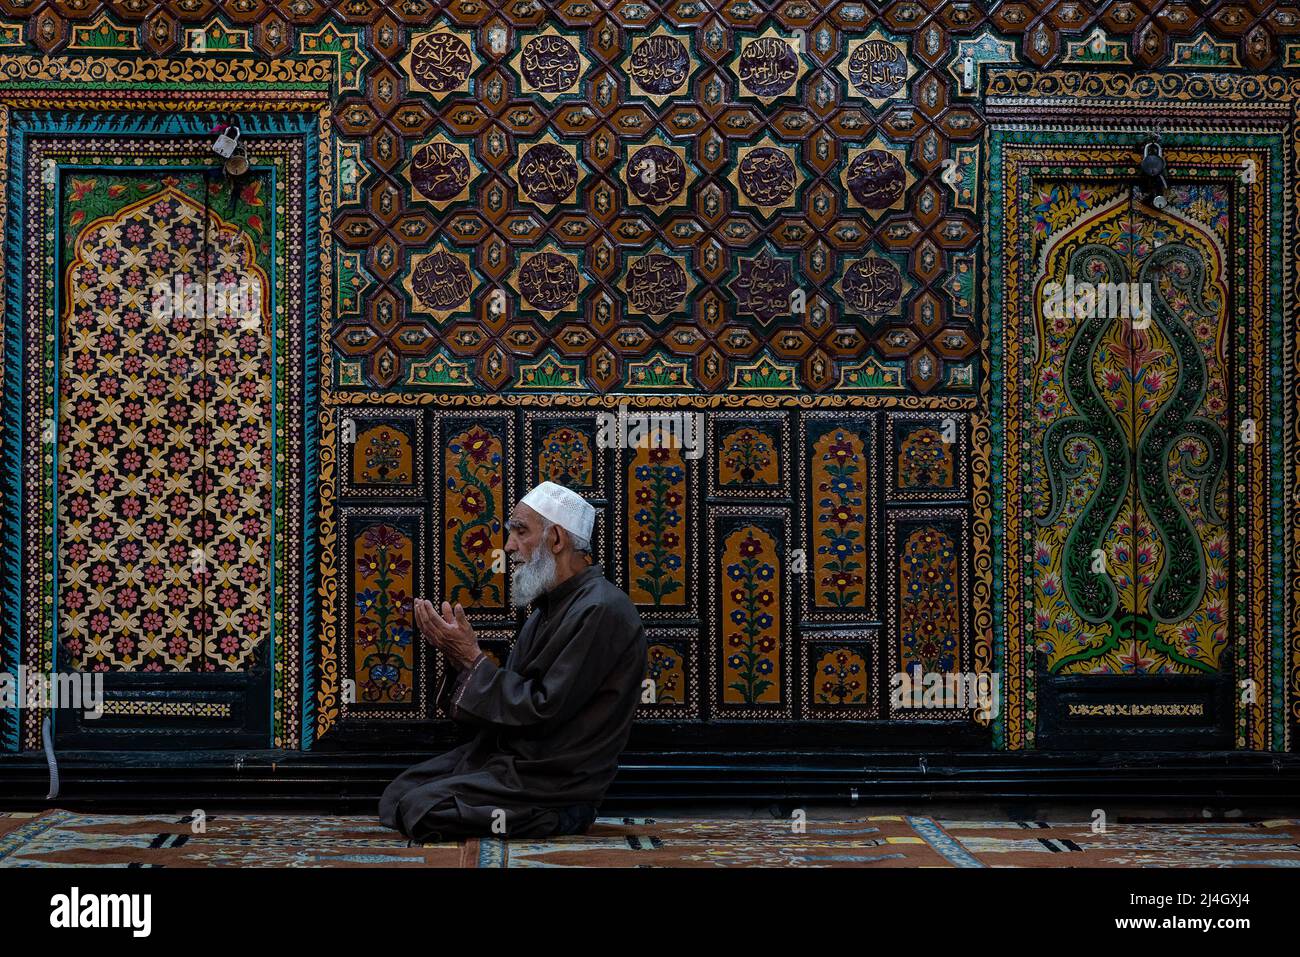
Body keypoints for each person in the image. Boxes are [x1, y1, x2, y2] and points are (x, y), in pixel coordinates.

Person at [379, 481, 647, 843]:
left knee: (421, 809)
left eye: (520, 532)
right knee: (399, 794)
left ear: (556, 539)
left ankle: (557, 817)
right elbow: (516, 695)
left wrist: (473, 659)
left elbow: (542, 708)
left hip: (555, 777)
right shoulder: (549, 608)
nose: (508, 546)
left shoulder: (601, 609)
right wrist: (462, 659)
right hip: (518, 759)